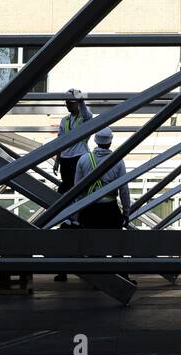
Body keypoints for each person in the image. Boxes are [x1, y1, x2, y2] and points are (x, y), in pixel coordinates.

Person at [53, 89, 93, 280]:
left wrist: (81, 99)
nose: (68, 105)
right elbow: (59, 141)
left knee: (77, 188)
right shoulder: (64, 121)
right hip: (68, 158)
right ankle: (71, 215)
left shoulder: (84, 117)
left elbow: (87, 114)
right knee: (67, 187)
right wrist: (57, 159)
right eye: (67, 103)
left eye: (71, 102)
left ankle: (75, 215)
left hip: (80, 156)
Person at [73, 128, 131, 230]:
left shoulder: (83, 159)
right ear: (110, 142)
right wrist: (126, 212)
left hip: (89, 209)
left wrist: (77, 212)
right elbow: (124, 190)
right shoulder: (118, 161)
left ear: (95, 140)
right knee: (111, 243)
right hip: (110, 210)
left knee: (89, 243)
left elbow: (77, 189)